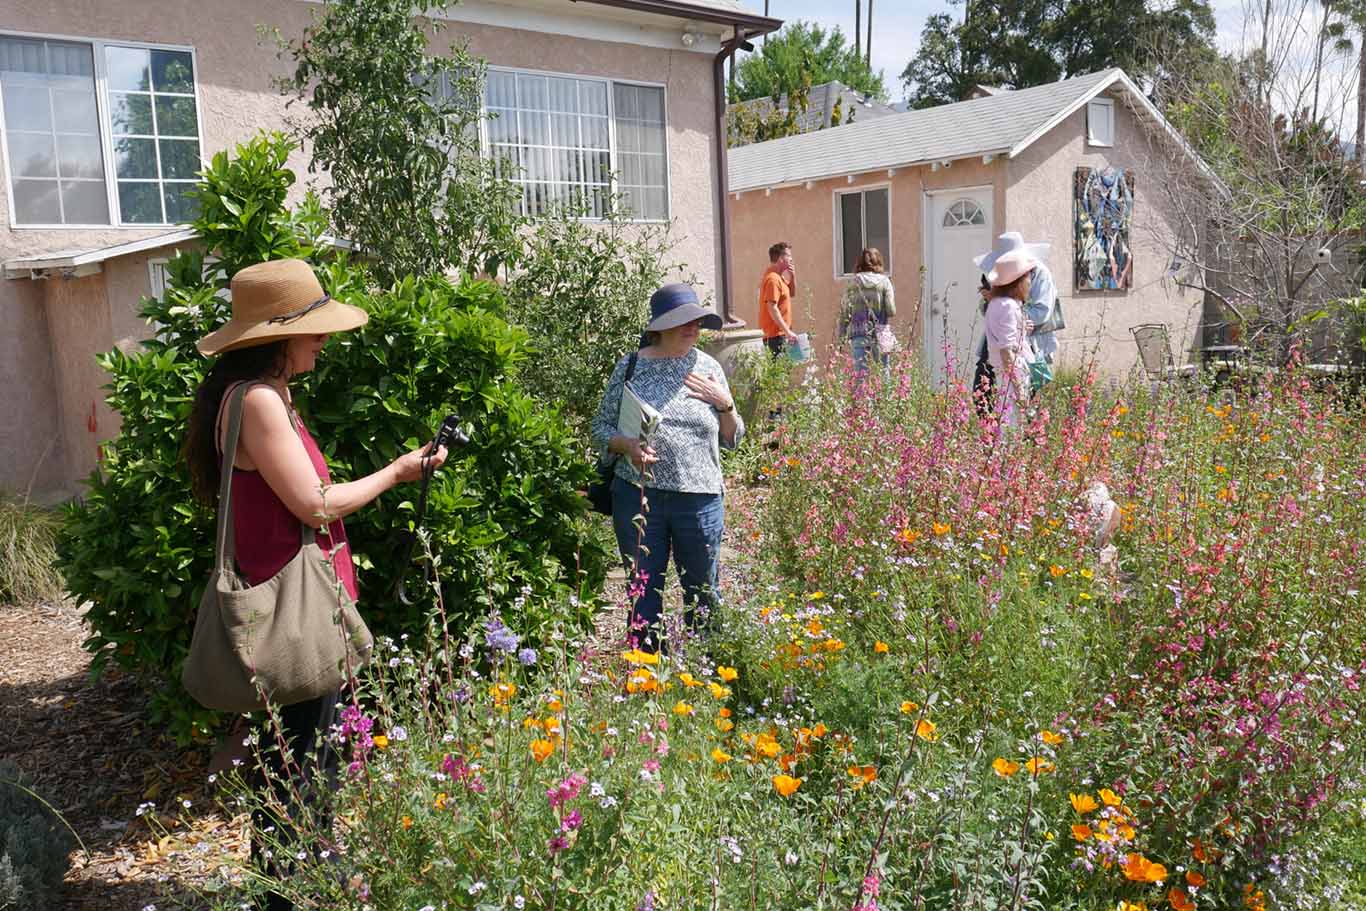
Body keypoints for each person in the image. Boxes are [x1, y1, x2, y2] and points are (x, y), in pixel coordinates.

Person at [184, 258, 447, 911]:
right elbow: (317, 503)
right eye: (314, 330)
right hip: (291, 615)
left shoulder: (254, 395)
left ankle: (294, 889)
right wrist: (398, 471)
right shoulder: (262, 401)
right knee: (301, 776)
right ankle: (290, 895)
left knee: (296, 771)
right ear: (277, 335)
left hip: (290, 605)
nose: (323, 340)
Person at [592, 283, 744, 654]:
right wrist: (627, 446)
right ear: (658, 327)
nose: (692, 328)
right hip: (639, 497)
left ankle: (706, 672)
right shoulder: (630, 366)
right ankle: (646, 676)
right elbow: (600, 429)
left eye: (696, 321)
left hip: (701, 499)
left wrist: (726, 405)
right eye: (682, 322)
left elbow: (734, 437)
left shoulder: (709, 368)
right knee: (643, 590)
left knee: (703, 591)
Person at [974, 231, 1059, 369]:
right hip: (997, 339)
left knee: (1025, 383)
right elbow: (985, 309)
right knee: (984, 382)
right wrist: (990, 301)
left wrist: (1013, 316)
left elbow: (1042, 311)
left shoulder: (1040, 273)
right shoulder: (997, 272)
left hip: (1031, 342)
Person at [983, 248, 1038, 428]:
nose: (1030, 282)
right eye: (1028, 277)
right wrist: (1019, 388)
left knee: (1008, 422)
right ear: (1018, 281)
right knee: (1012, 426)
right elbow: (1006, 351)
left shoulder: (998, 303)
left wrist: (1023, 328)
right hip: (1012, 373)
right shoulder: (1007, 306)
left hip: (1007, 372)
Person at [838, 247, 896, 373]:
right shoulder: (885, 282)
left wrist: (841, 340)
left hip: (859, 334)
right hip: (881, 334)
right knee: (884, 373)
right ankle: (884, 394)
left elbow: (844, 314)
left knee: (860, 376)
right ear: (878, 262)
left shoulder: (852, 283)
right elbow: (891, 310)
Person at [759, 241, 798, 358]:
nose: (791, 259)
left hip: (781, 335)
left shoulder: (780, 278)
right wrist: (787, 331)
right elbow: (772, 307)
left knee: (784, 373)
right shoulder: (773, 279)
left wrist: (793, 276)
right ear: (781, 258)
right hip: (775, 337)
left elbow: (792, 293)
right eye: (789, 256)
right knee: (778, 374)